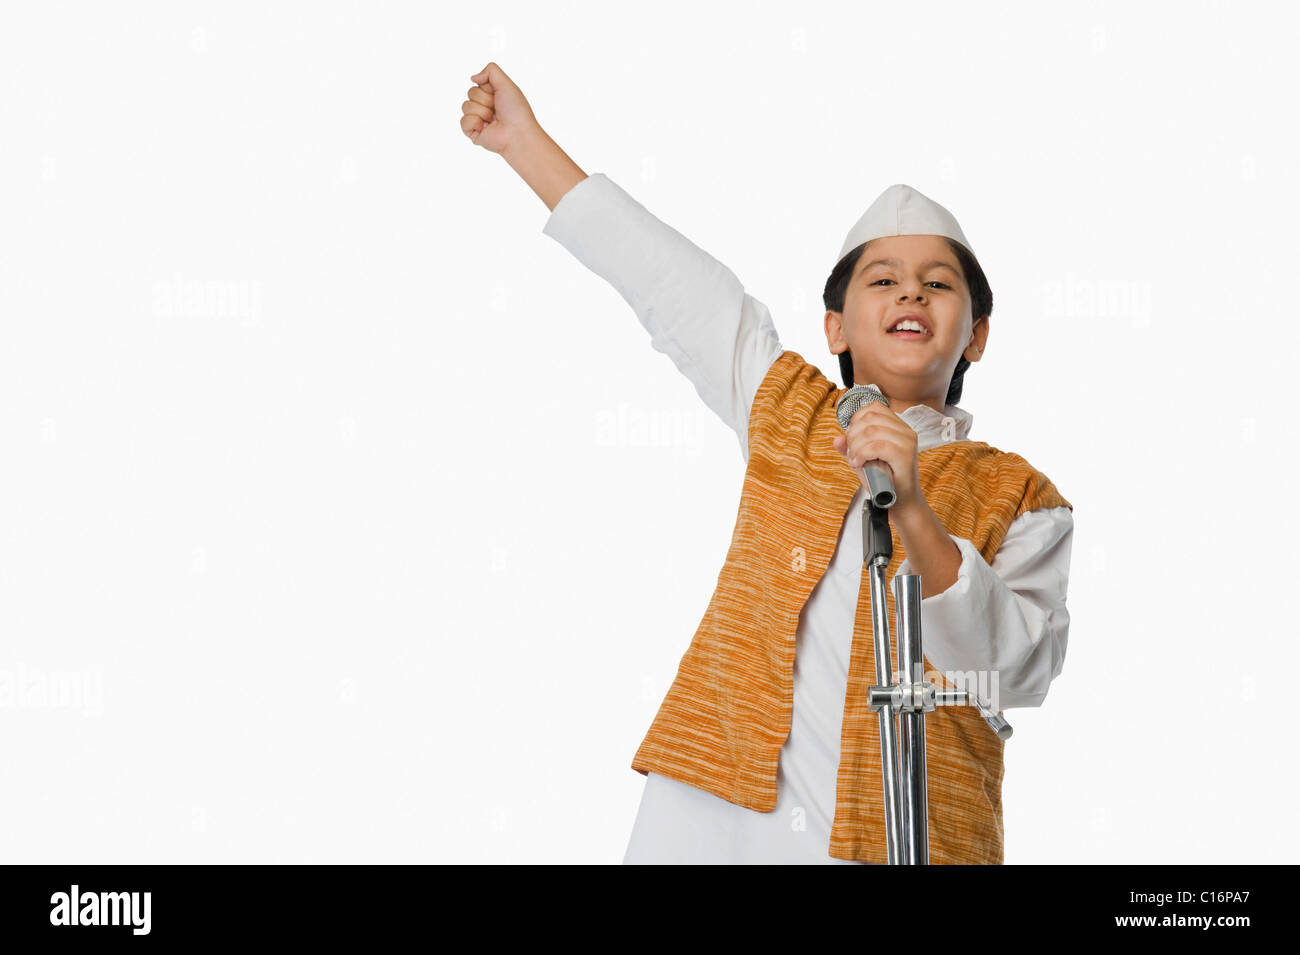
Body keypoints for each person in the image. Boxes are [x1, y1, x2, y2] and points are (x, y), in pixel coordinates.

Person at [461, 62, 1074, 865]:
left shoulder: (1022, 496)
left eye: (938, 284)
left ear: (978, 334)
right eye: (883, 279)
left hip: (902, 838)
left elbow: (1013, 672)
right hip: (712, 822)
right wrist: (524, 144)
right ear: (835, 327)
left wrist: (917, 510)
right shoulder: (786, 409)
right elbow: (663, 279)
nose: (910, 296)